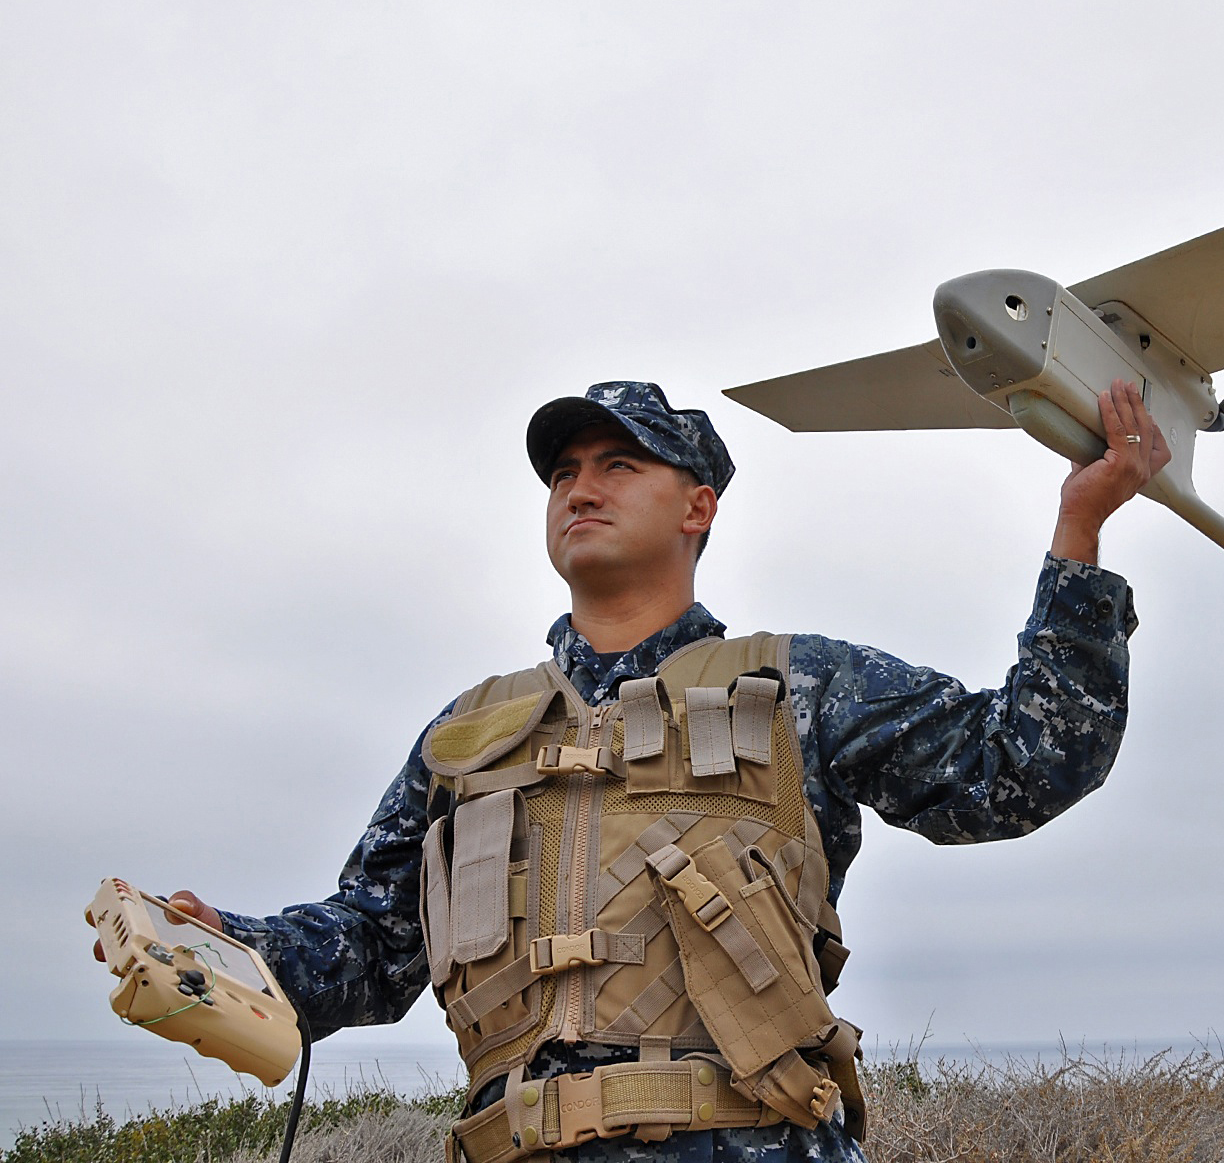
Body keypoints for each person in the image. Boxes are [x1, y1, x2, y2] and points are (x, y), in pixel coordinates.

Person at [155, 378, 1170, 1161]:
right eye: (562, 475)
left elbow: (1020, 769)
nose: (580, 489)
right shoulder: (467, 736)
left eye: (616, 465)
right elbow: (374, 945)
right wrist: (237, 945)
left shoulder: (800, 683)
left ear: (698, 506)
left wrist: (1079, 534)